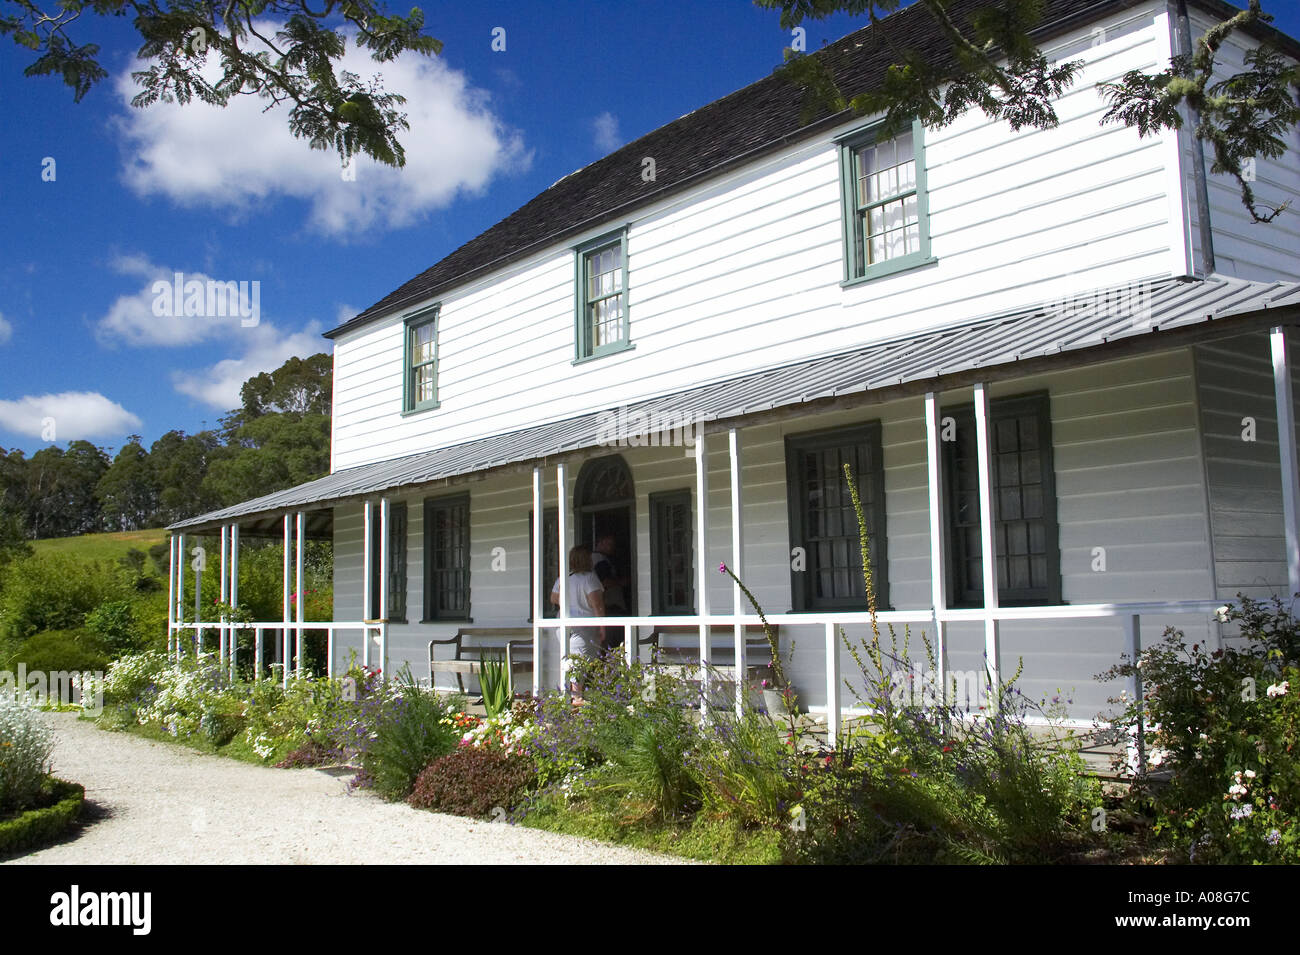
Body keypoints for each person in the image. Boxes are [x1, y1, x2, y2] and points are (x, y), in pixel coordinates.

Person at [550, 545, 605, 702]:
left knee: (574, 659)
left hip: (564, 624)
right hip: (583, 625)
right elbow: (597, 605)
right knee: (580, 660)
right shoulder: (590, 578)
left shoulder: (564, 578)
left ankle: (575, 695)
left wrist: (569, 602)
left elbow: (553, 598)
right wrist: (603, 627)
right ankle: (577, 697)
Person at [591, 534, 629, 652]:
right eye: (608, 544)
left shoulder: (601, 558)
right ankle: (610, 669)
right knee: (612, 644)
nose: (611, 547)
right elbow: (605, 581)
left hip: (611, 607)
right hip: (610, 607)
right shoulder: (599, 559)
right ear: (600, 543)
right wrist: (621, 582)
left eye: (612, 545)